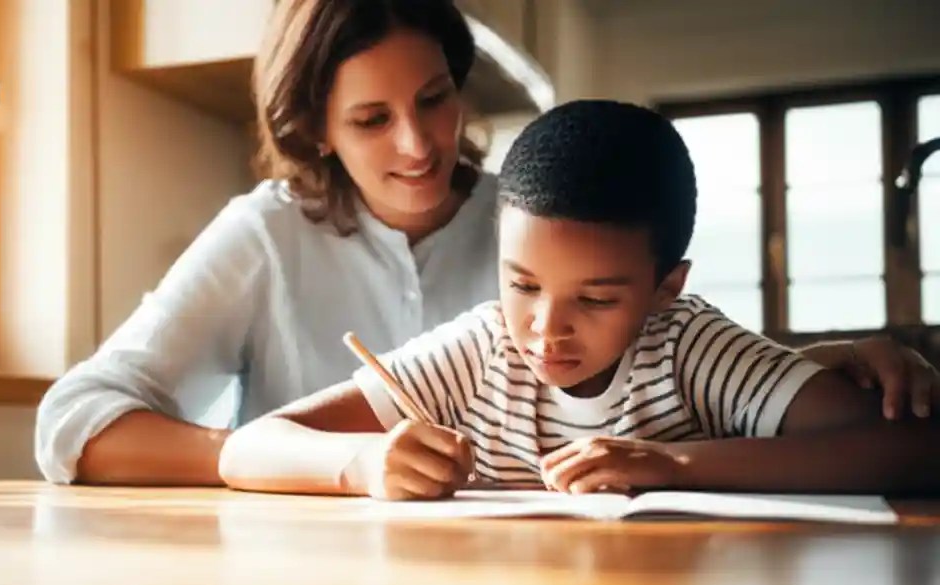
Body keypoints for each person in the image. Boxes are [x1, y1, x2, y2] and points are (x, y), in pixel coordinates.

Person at [36, 0, 938, 487]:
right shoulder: (269, 236)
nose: (420, 145)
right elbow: (79, 421)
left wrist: (809, 367)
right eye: (371, 118)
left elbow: (674, 353)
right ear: (316, 130)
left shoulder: (541, 208)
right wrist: (338, 465)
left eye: (434, 99)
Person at [217, 100, 939, 499]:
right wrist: (364, 465)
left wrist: (672, 465)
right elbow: (249, 448)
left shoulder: (688, 348)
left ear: (665, 289)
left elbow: (915, 451)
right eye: (522, 283)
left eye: (595, 299)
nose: (544, 329)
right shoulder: (481, 349)